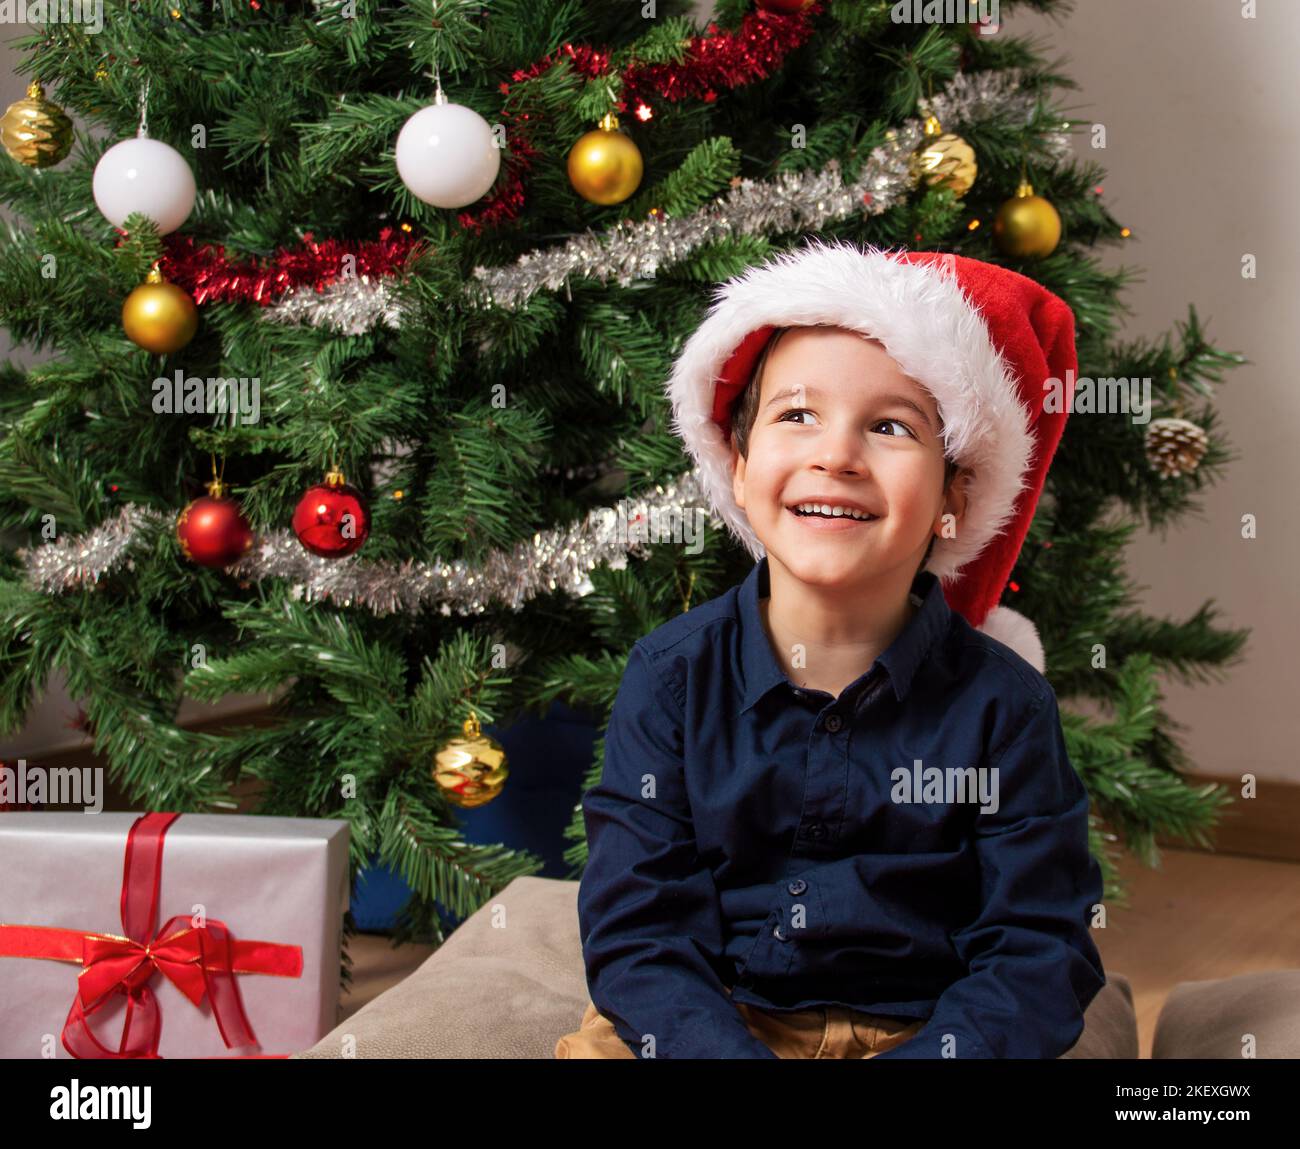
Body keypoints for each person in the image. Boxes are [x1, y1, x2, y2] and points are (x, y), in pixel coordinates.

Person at [555, 239, 1106, 1059]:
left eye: (889, 426)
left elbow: (1037, 948)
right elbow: (643, 930)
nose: (836, 455)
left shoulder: (1005, 706)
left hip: (927, 1027)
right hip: (724, 1018)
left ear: (954, 497)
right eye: (796, 415)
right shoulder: (671, 678)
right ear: (737, 468)